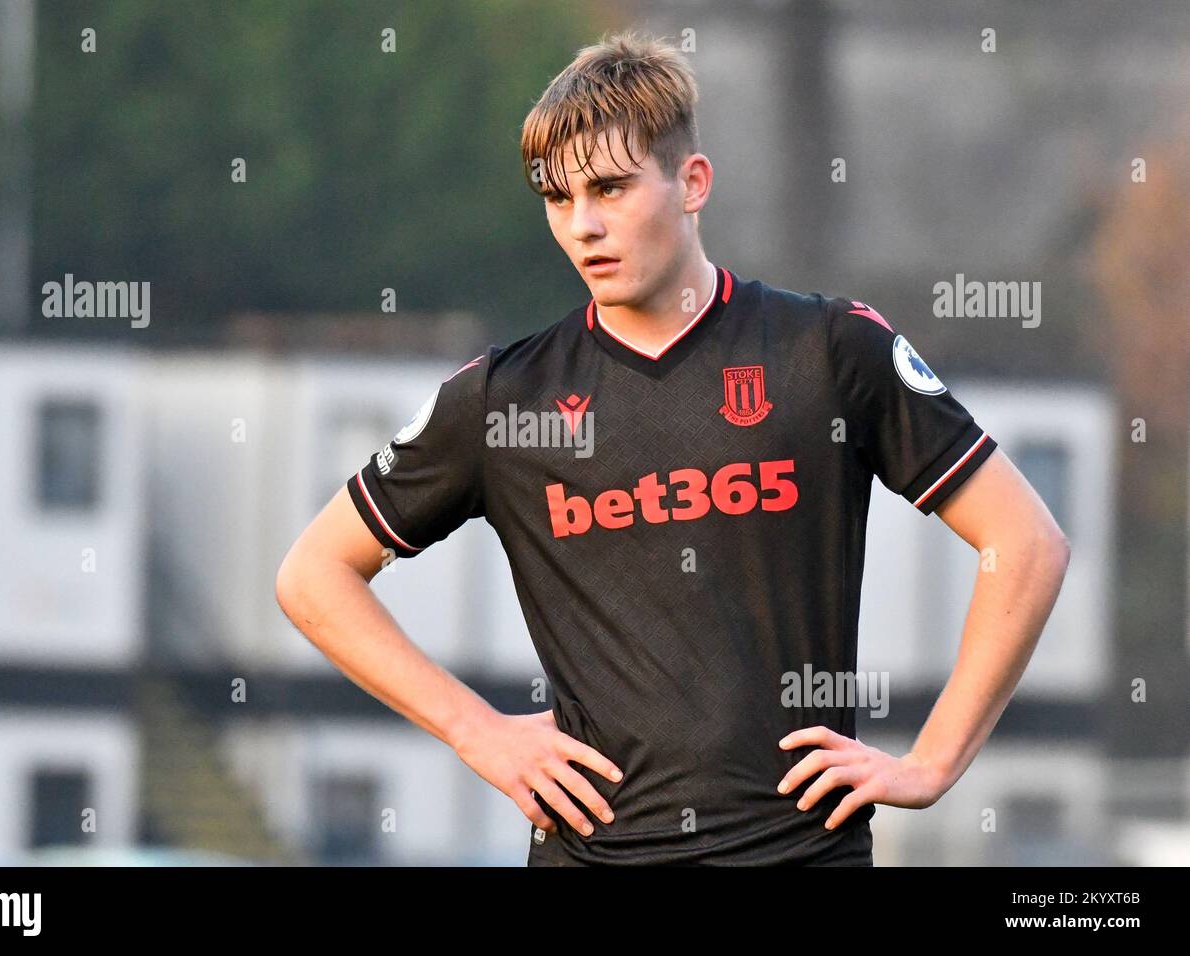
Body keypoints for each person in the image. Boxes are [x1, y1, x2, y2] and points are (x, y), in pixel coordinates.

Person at [275, 31, 1070, 865]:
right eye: (558, 197)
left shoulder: (827, 351)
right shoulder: (505, 398)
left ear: (692, 183)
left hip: (799, 854)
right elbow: (313, 574)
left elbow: (1024, 543)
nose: (583, 225)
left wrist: (933, 761)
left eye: (612, 188)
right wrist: (479, 733)